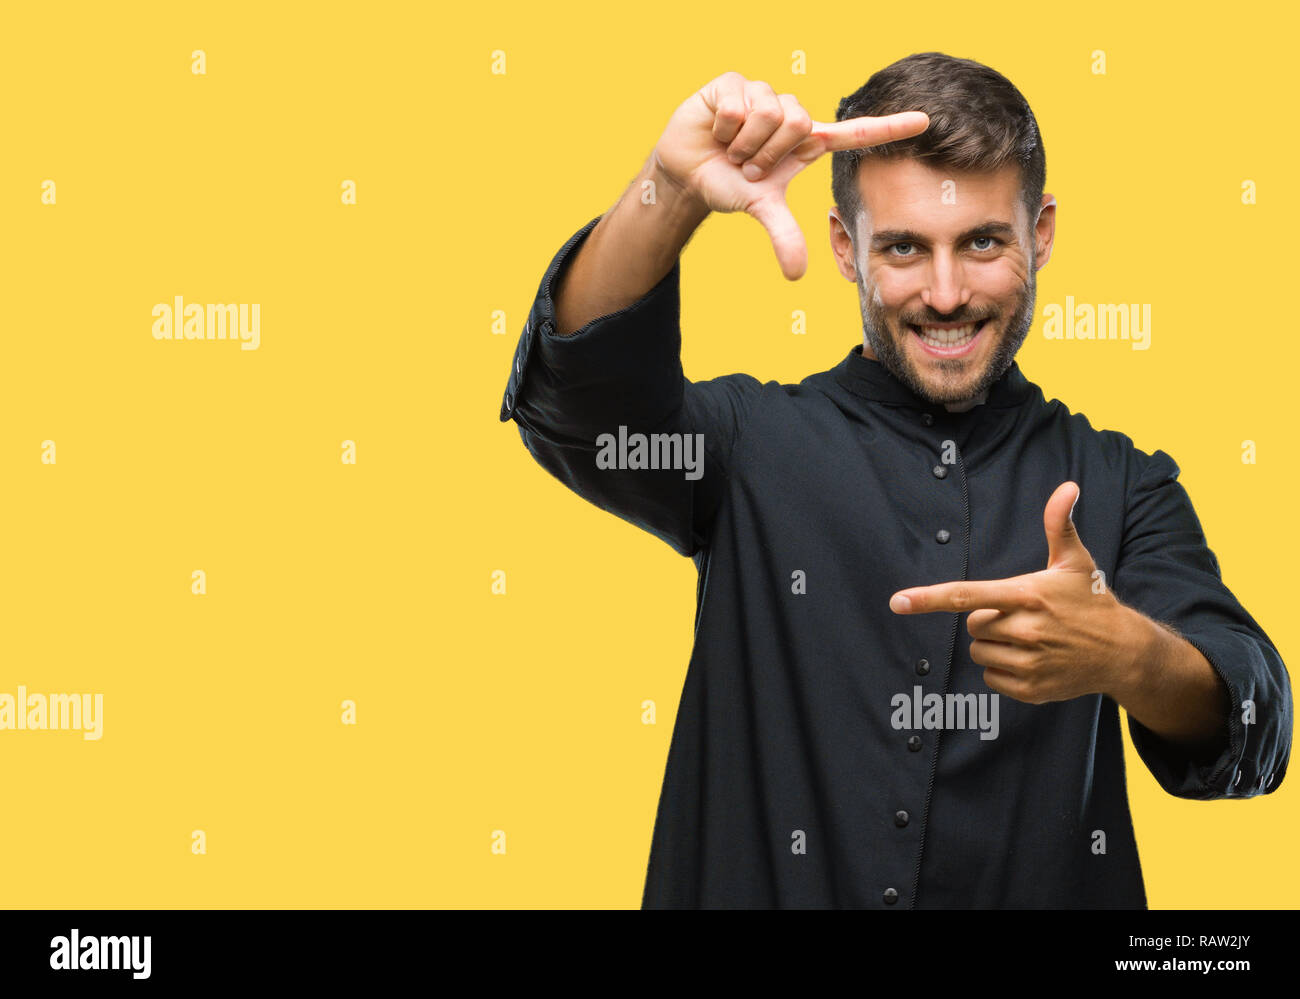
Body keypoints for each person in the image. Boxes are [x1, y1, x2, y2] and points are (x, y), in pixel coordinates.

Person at [498, 52, 1292, 908]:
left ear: (1044, 233)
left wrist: (1130, 656)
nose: (945, 293)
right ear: (847, 247)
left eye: (983, 241)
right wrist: (669, 186)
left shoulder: (1121, 483)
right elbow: (574, 406)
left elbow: (1255, 729)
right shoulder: (745, 447)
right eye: (905, 248)